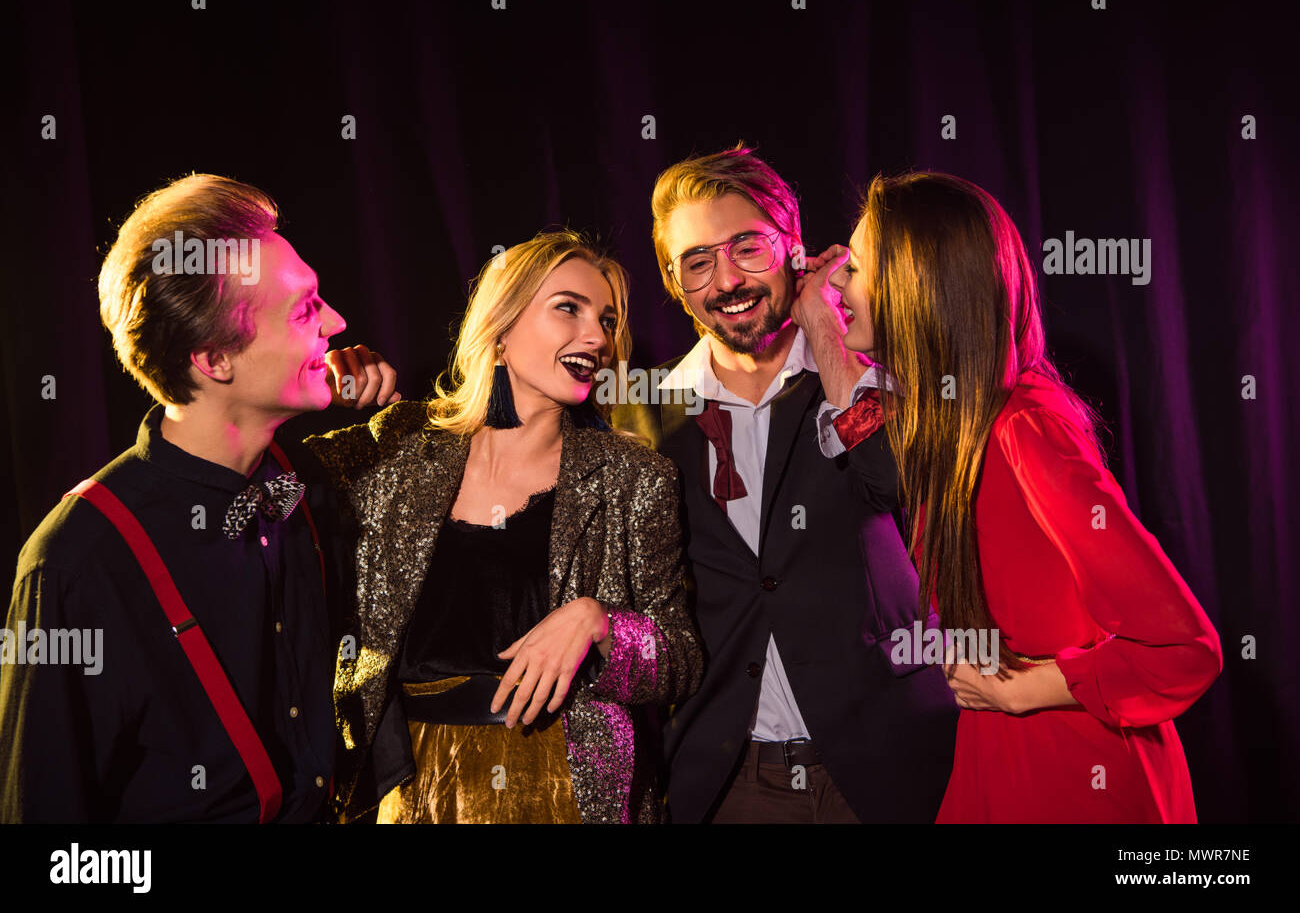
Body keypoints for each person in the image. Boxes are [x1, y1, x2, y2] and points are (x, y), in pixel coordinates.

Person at [824, 170, 1222, 821]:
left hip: (1067, 775)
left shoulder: (1022, 428)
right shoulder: (949, 417)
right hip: (998, 759)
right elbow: (844, 433)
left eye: (856, 267)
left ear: (917, 285)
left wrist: (1030, 686)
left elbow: (1186, 648)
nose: (838, 281)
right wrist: (819, 318)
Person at [0, 174, 399, 822]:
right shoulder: (76, 562)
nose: (337, 321)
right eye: (304, 309)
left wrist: (391, 415)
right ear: (214, 358)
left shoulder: (306, 485)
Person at [305, 230, 703, 824]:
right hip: (414, 793)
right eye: (568, 308)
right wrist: (314, 388)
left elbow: (680, 660)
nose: (596, 336)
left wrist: (602, 625)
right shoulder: (396, 447)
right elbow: (258, 501)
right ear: (501, 325)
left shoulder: (635, 475)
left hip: (571, 795)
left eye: (608, 319)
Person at [611, 145, 957, 823]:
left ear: (794, 247)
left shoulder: (871, 379)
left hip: (889, 768)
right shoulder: (646, 415)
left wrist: (824, 334)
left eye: (748, 248)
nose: (728, 279)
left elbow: (898, 485)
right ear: (672, 279)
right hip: (733, 781)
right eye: (698, 261)